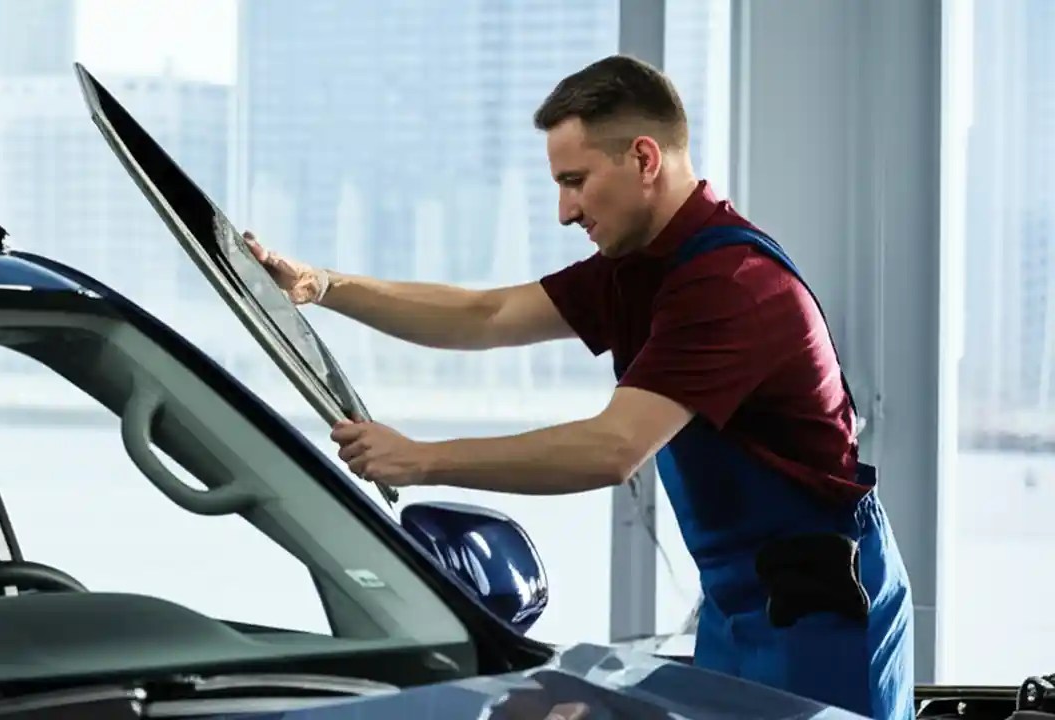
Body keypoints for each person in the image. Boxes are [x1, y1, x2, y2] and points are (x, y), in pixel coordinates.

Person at [242, 54, 914, 719]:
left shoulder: (728, 285)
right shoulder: (639, 267)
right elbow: (487, 314)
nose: (565, 211)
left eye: (575, 181)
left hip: (824, 610)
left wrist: (421, 459)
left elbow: (611, 448)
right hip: (739, 604)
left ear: (644, 158)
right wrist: (322, 285)